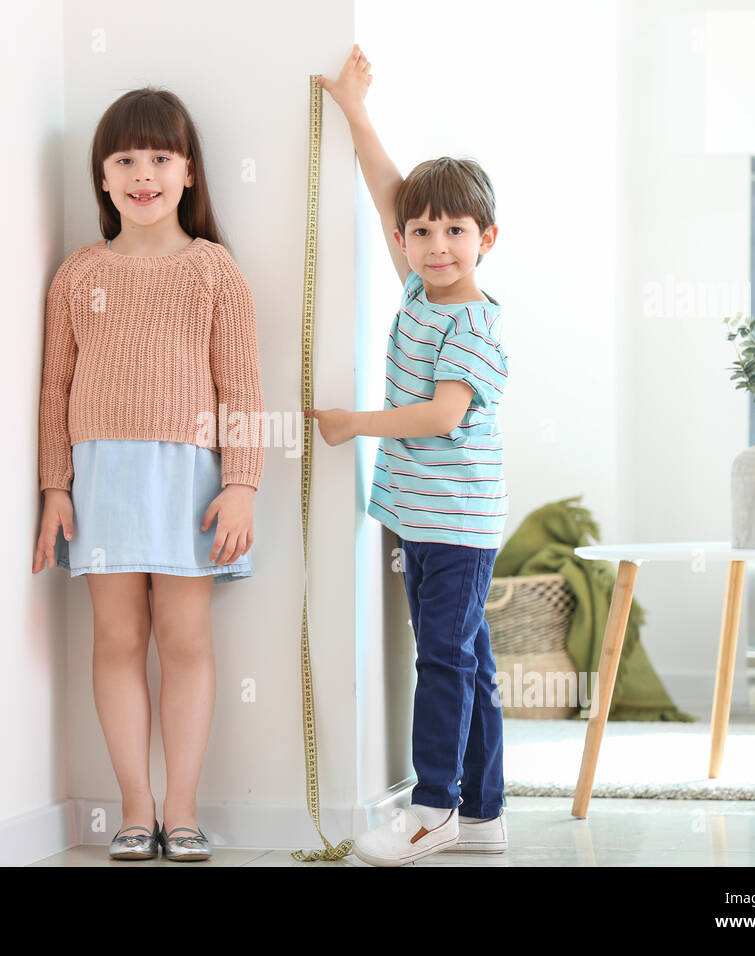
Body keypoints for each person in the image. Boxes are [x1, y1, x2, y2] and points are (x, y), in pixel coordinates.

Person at [32, 86, 265, 863]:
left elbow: (244, 388)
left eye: (160, 157)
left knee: (185, 636)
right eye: (125, 158)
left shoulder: (214, 271)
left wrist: (242, 484)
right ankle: (135, 809)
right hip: (103, 477)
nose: (143, 173)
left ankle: (184, 809)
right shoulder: (75, 276)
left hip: (192, 482)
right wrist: (55, 487)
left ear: (189, 172)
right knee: (118, 636)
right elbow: (54, 391)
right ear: (101, 177)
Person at [308, 45, 510, 866]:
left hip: (457, 522)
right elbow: (387, 184)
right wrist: (355, 107)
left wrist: (356, 423)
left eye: (453, 232)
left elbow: (440, 415)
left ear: (486, 238)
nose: (434, 244)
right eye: (420, 232)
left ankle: (432, 809)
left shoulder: (475, 324)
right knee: (470, 663)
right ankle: (485, 812)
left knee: (446, 662)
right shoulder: (422, 290)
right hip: (428, 517)